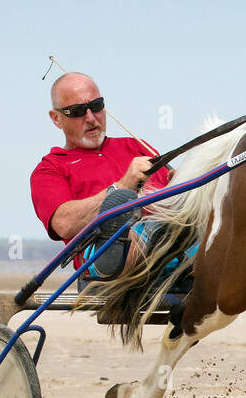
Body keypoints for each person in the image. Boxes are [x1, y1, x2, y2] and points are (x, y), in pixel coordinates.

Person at [29, 72, 172, 283]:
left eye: (96, 106)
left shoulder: (136, 146)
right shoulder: (51, 168)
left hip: (168, 232)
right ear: (56, 118)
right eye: (77, 111)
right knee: (128, 235)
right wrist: (122, 187)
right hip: (102, 251)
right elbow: (64, 224)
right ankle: (119, 235)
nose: (90, 118)